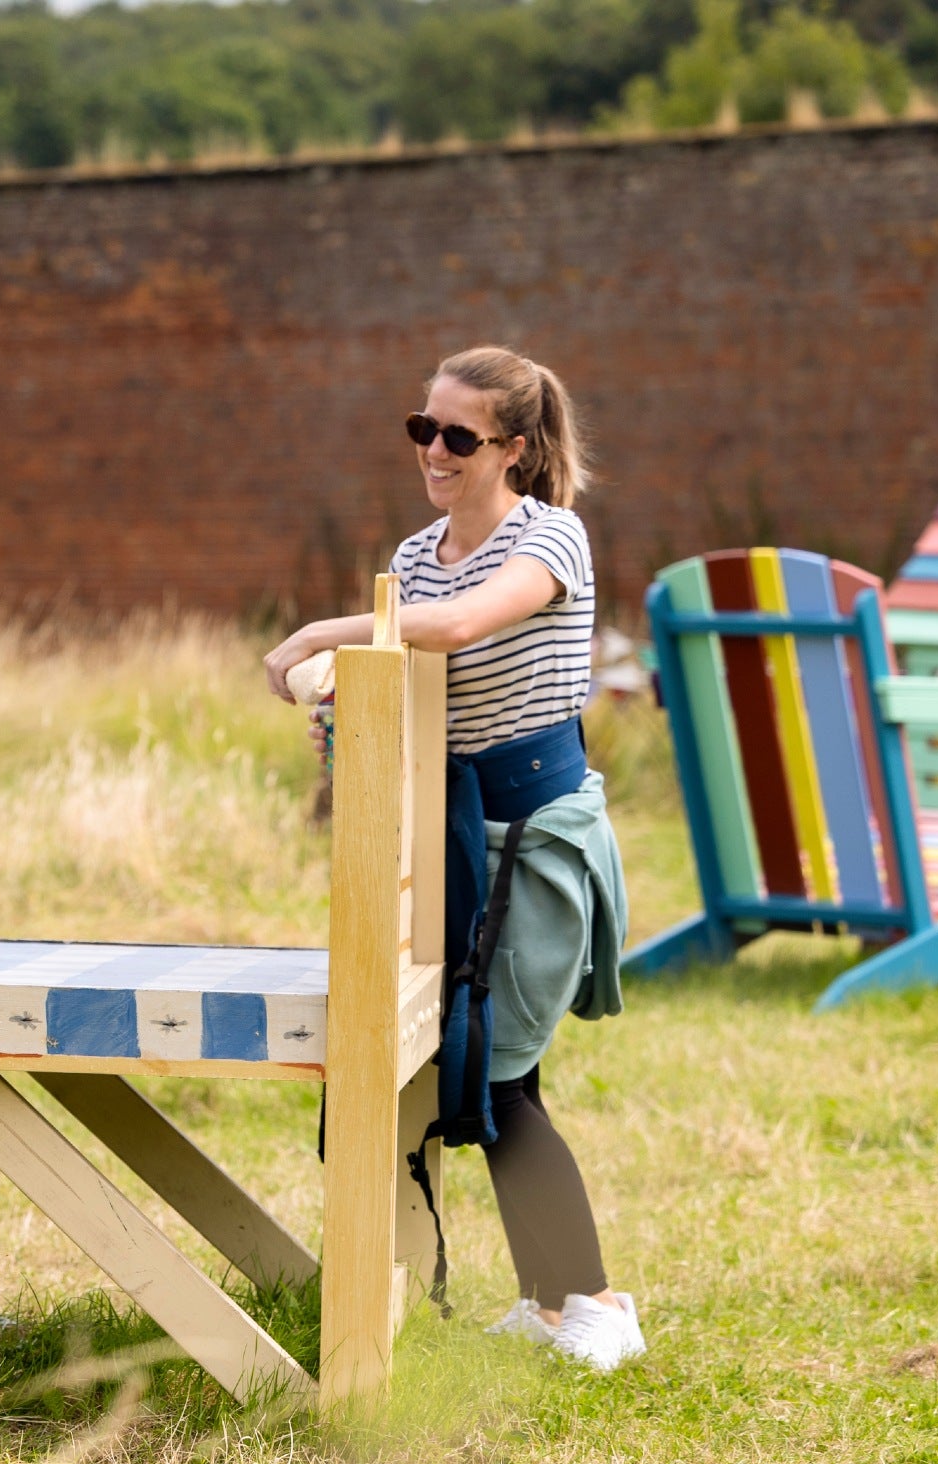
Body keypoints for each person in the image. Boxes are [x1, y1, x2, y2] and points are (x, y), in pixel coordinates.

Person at [264, 346, 642, 1372]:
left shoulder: (549, 536)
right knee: (463, 1066)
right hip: (448, 835)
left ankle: (598, 1300)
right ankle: (547, 1299)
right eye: (421, 428)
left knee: (505, 1074)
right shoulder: (418, 552)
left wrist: (316, 632)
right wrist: (343, 708)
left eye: (458, 435)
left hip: (538, 840)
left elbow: (460, 625)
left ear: (513, 448)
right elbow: (413, 663)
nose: (434, 449)